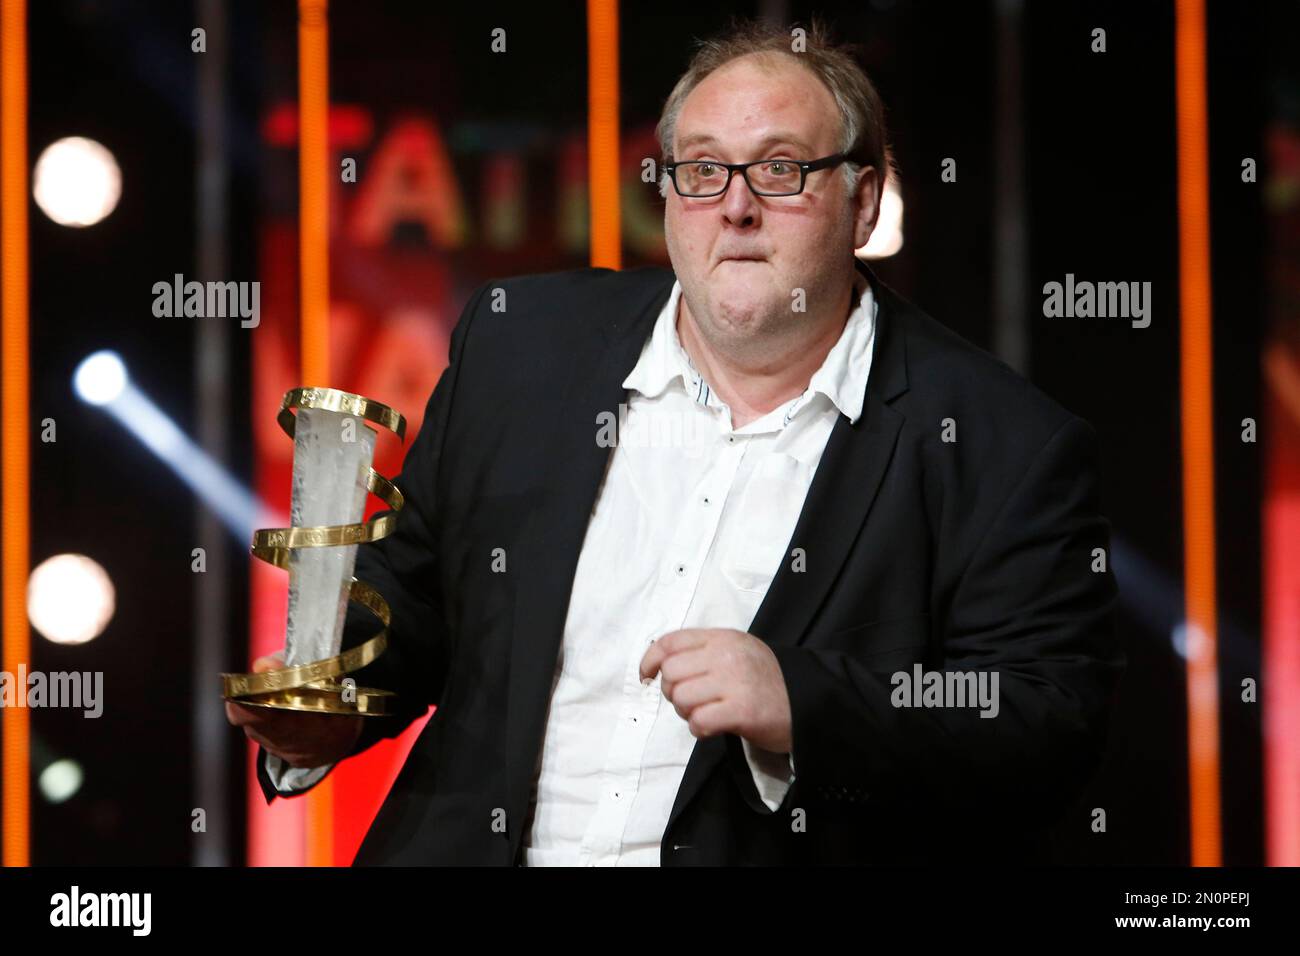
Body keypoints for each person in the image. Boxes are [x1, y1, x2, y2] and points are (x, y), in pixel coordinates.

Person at [227, 19, 1123, 865]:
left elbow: (1046, 725)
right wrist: (331, 706)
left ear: (865, 200)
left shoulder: (999, 441)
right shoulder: (522, 346)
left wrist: (804, 704)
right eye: (700, 170)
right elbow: (414, 595)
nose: (734, 207)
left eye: (779, 170)